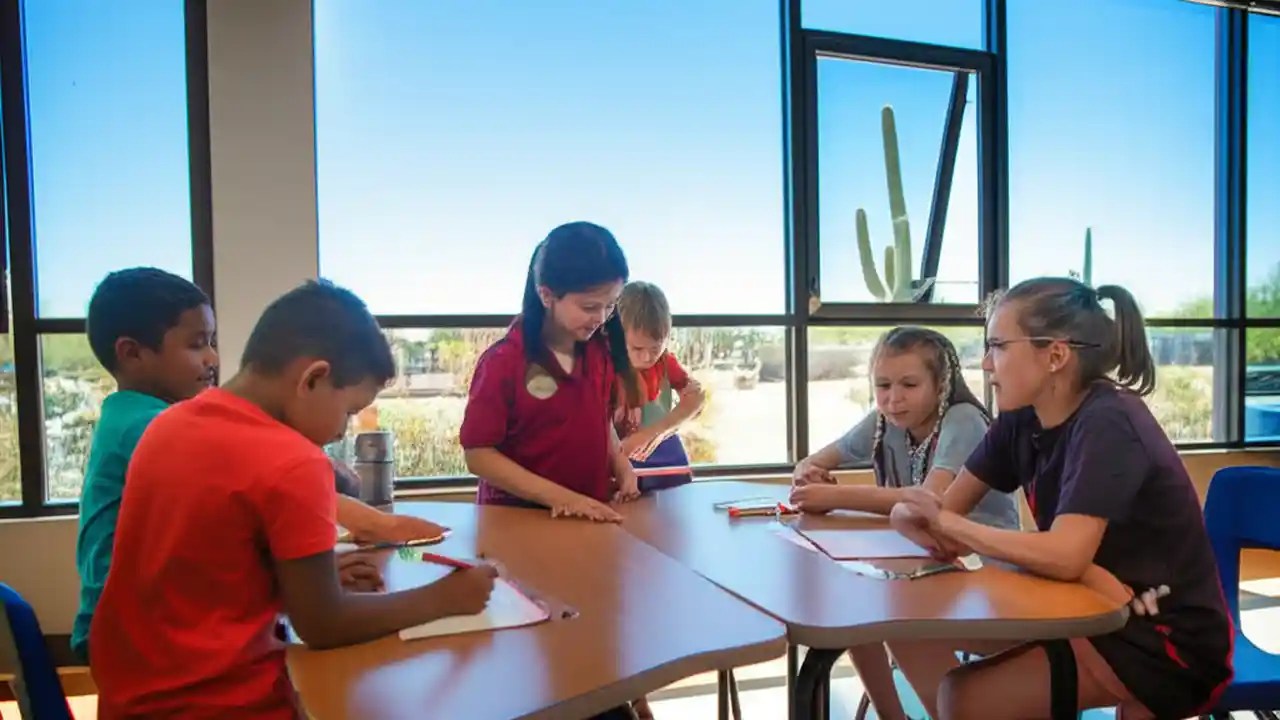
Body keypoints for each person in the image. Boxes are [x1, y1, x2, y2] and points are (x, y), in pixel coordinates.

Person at [89, 279, 496, 719]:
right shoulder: (296, 461)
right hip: (216, 704)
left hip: (131, 699)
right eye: (348, 411)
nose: (341, 431)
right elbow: (323, 625)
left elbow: (200, 576)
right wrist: (447, 597)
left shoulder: (170, 424)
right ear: (313, 378)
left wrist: (303, 582)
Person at [886, 277, 1233, 720]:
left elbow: (1064, 555)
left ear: (1055, 356)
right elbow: (944, 516)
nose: (986, 363)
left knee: (964, 697)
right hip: (1084, 603)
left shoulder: (1110, 422)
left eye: (998, 346)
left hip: (1160, 635)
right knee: (906, 627)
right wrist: (914, 518)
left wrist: (950, 525)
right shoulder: (1020, 419)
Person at [790, 326, 1020, 720]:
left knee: (895, 616)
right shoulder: (885, 421)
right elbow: (814, 461)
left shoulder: (963, 419)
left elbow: (929, 503)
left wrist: (834, 496)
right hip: (923, 561)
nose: (893, 398)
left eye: (909, 385)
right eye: (883, 385)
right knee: (855, 605)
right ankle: (892, 715)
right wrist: (808, 473)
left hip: (985, 569)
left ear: (941, 384)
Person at [72, 268, 218, 663]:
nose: (213, 358)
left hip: (129, 624)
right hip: (130, 633)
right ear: (132, 353)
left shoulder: (128, 416)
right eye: (197, 344)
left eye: (211, 342)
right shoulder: (149, 426)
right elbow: (259, 479)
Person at [461, 221, 643, 522]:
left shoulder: (598, 353)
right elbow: (478, 454)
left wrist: (622, 465)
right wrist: (563, 499)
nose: (601, 318)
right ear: (546, 295)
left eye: (610, 306)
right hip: (517, 524)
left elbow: (600, 418)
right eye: (589, 307)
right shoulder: (504, 362)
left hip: (588, 518)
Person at [613, 281, 705, 490]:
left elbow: (696, 397)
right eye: (637, 348)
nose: (647, 357)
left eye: (655, 348)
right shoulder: (605, 364)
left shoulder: (665, 361)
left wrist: (654, 433)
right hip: (619, 458)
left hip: (662, 454)